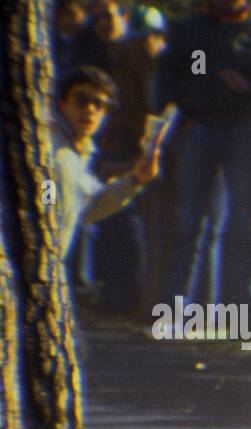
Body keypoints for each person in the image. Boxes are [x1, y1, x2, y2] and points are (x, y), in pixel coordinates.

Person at [156, 0, 251, 311]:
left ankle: (243, 312)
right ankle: (178, 312)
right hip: (200, 127)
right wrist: (178, 118)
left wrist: (250, 88)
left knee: (242, 220)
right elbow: (167, 78)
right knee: (191, 222)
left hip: (244, 128)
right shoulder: (189, 30)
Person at [83, 0, 157, 318]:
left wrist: (147, 143)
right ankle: (117, 294)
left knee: (132, 220)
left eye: (107, 16)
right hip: (114, 143)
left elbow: (151, 99)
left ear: (124, 17)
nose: (102, 23)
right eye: (96, 17)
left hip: (144, 143)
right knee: (114, 218)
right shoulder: (100, 53)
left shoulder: (139, 50)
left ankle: (136, 295)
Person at [51, 66, 160, 274]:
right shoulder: (53, 147)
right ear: (61, 103)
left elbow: (88, 206)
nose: (90, 109)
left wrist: (135, 180)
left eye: (99, 105)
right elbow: (51, 200)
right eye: (81, 100)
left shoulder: (76, 150)